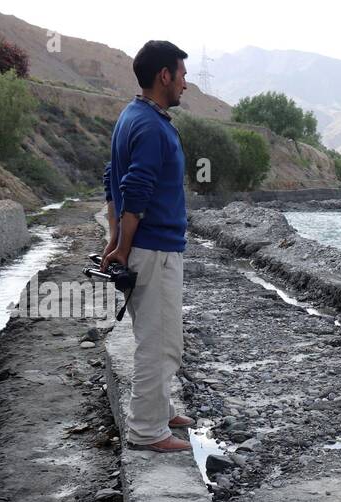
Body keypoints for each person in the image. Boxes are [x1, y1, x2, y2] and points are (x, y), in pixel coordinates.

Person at [102, 40, 192, 453]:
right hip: (154, 250)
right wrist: (122, 245)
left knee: (153, 333)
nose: (186, 85)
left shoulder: (132, 116)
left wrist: (115, 239)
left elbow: (110, 178)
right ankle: (146, 431)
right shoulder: (152, 126)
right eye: (182, 75)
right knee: (161, 342)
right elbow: (132, 188)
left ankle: (161, 407)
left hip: (147, 248)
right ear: (164, 76)